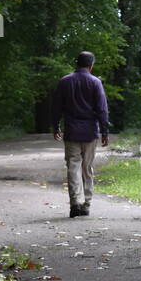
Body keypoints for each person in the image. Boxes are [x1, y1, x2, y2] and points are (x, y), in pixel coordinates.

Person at [51, 51, 110, 219]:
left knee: (73, 167)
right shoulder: (95, 82)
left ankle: (74, 203)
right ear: (91, 66)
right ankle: (87, 204)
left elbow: (56, 107)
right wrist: (104, 131)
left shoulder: (64, 82)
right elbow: (102, 109)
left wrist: (55, 127)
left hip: (71, 131)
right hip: (90, 132)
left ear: (76, 64)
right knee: (87, 168)